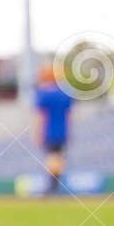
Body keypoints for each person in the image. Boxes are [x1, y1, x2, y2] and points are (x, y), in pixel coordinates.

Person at [32, 65, 74, 195]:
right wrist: (69, 132)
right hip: (62, 131)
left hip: (49, 132)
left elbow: (40, 116)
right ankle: (55, 186)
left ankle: (52, 187)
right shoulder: (65, 93)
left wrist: (37, 134)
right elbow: (69, 115)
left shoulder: (43, 93)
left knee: (52, 158)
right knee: (59, 158)